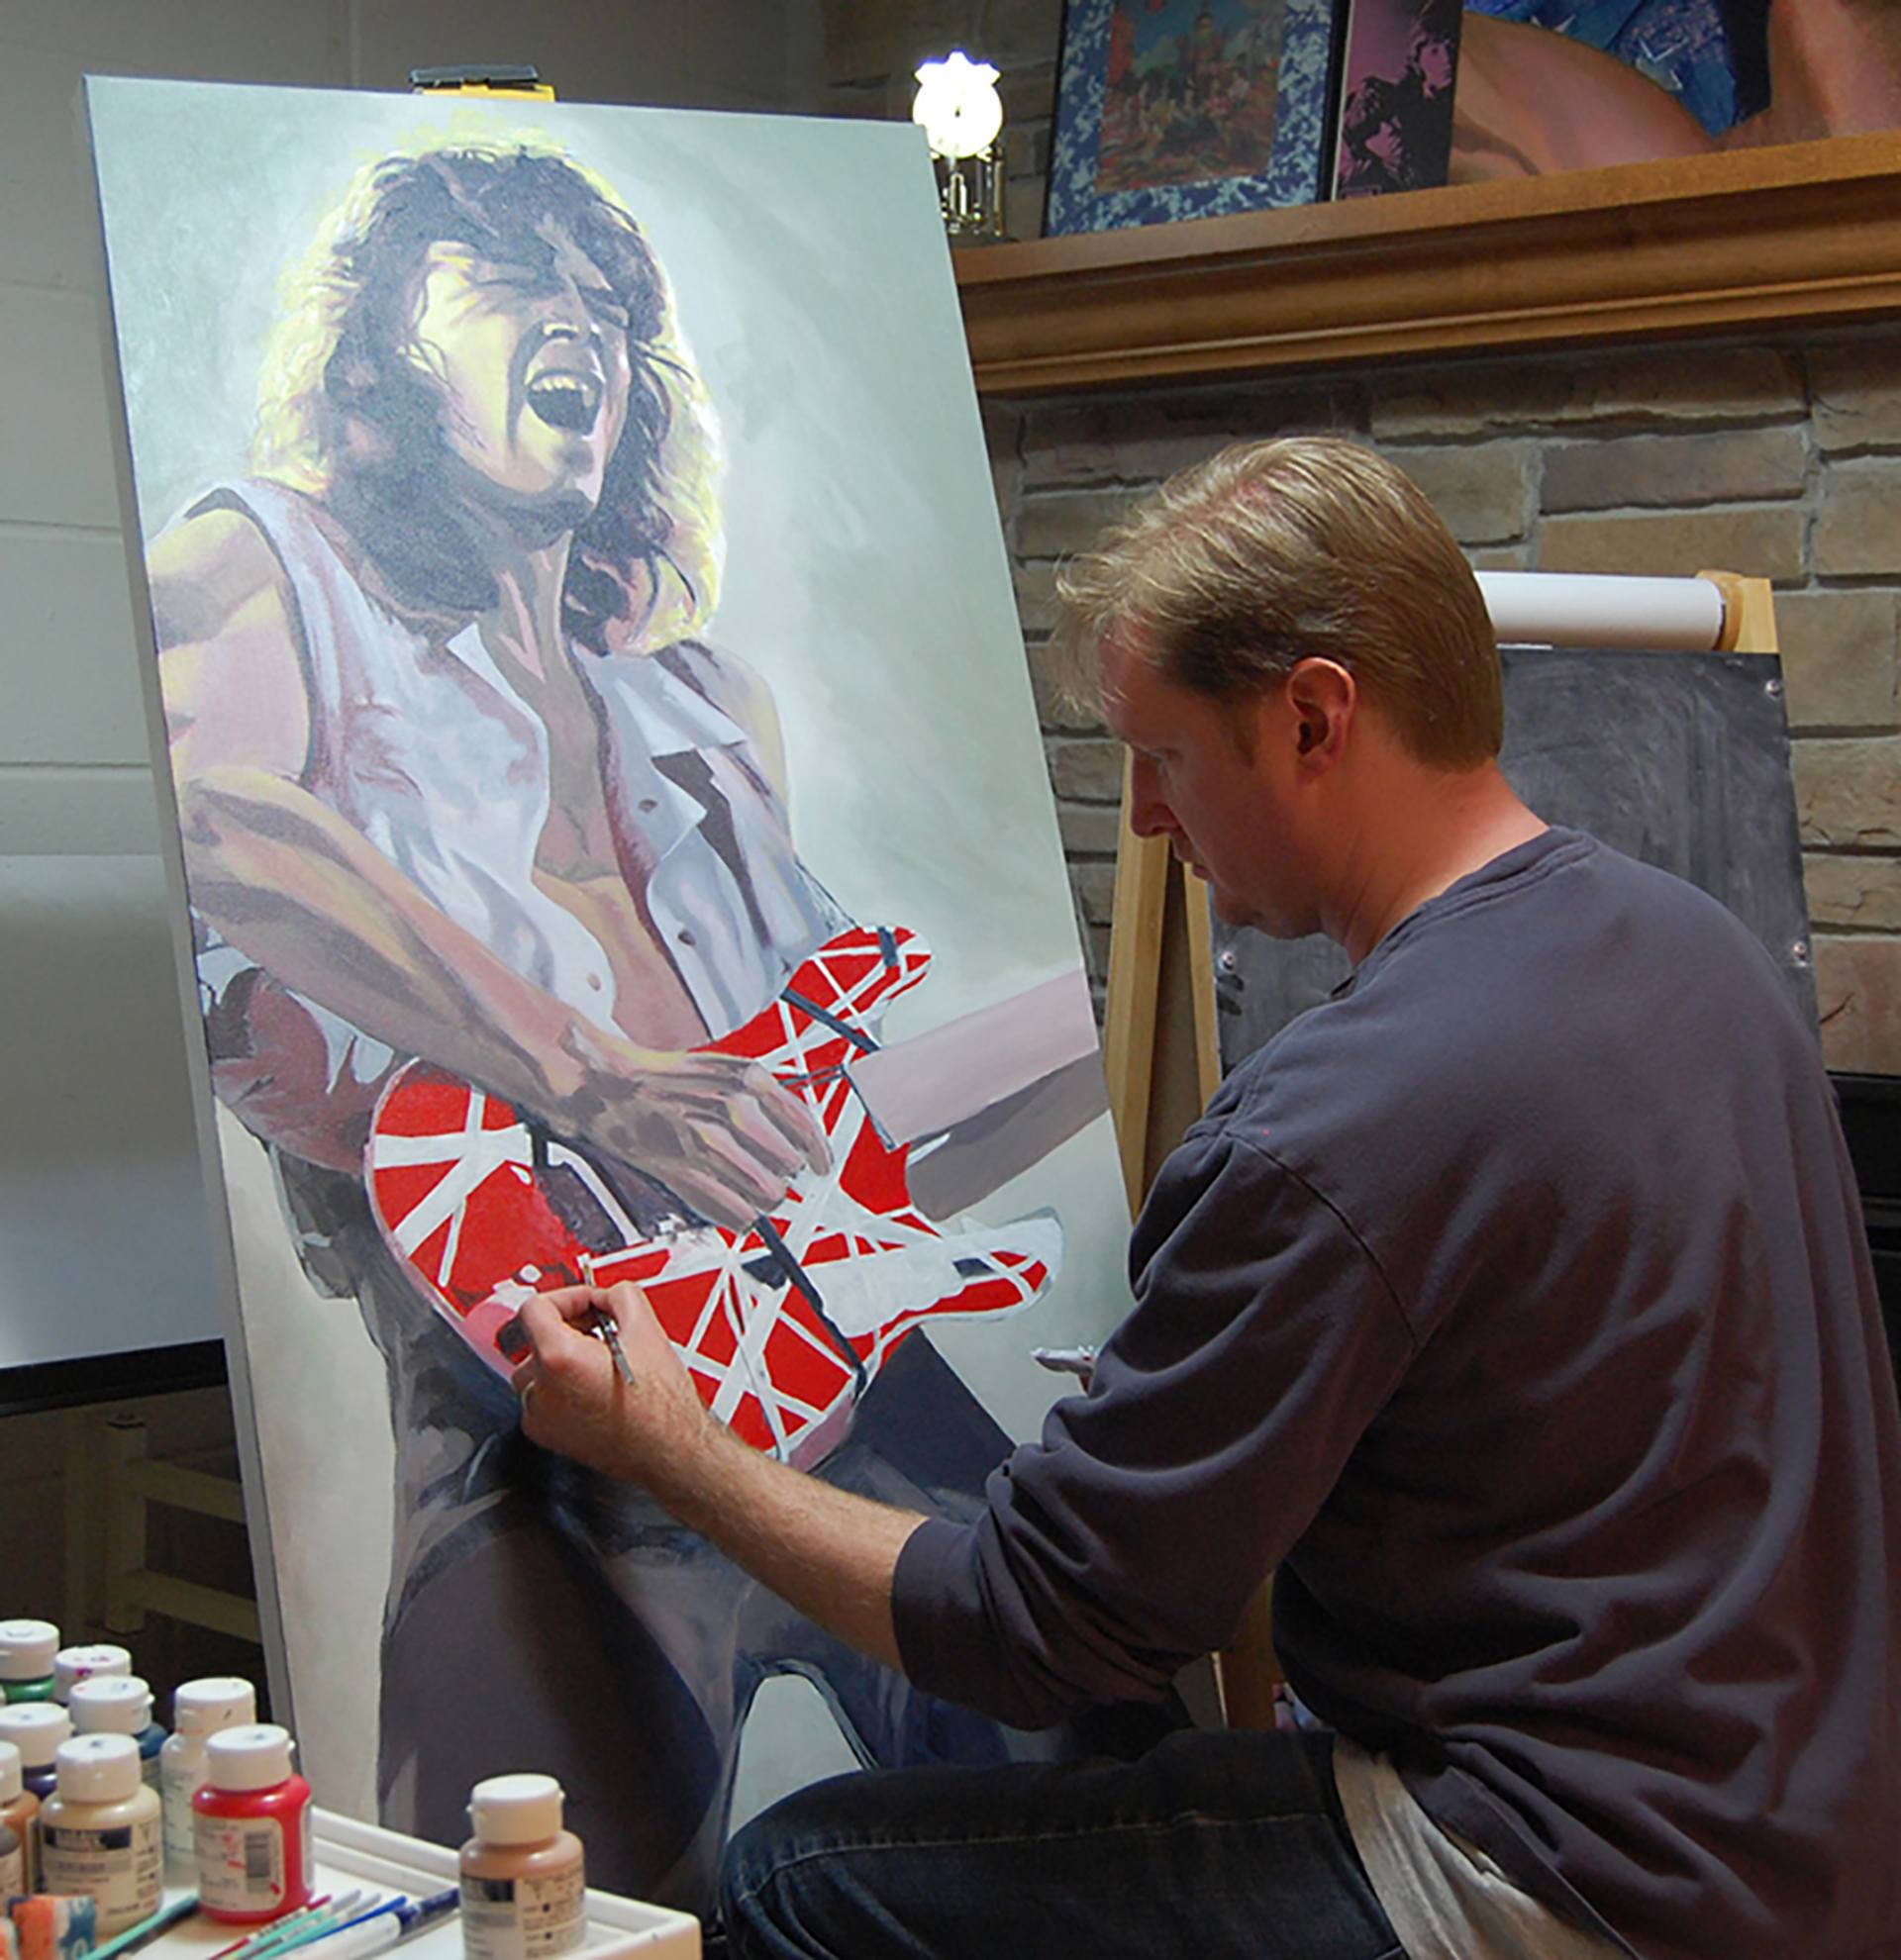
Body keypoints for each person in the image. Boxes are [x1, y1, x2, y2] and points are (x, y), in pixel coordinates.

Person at [514, 437, 1901, 1959]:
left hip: (1572, 1881)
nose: (1147, 818)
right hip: (1810, 1855)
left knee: (796, 1876)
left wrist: (669, 1443)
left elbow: (1038, 1628)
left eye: (1163, 756)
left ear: (1312, 717)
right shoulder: (1705, 956)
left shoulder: (1339, 1121)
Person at [147, 141, 1084, 1914]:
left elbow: (807, 1125)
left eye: (603, 295)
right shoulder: (263, 564)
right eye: (511, 275)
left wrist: (1110, 1023)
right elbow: (221, 821)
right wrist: (587, 1078)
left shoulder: (705, 705)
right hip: (531, 1405)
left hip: (837, 1362)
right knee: (528, 1917)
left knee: (1094, 1827)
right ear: (384, 350)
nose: (574, 313)